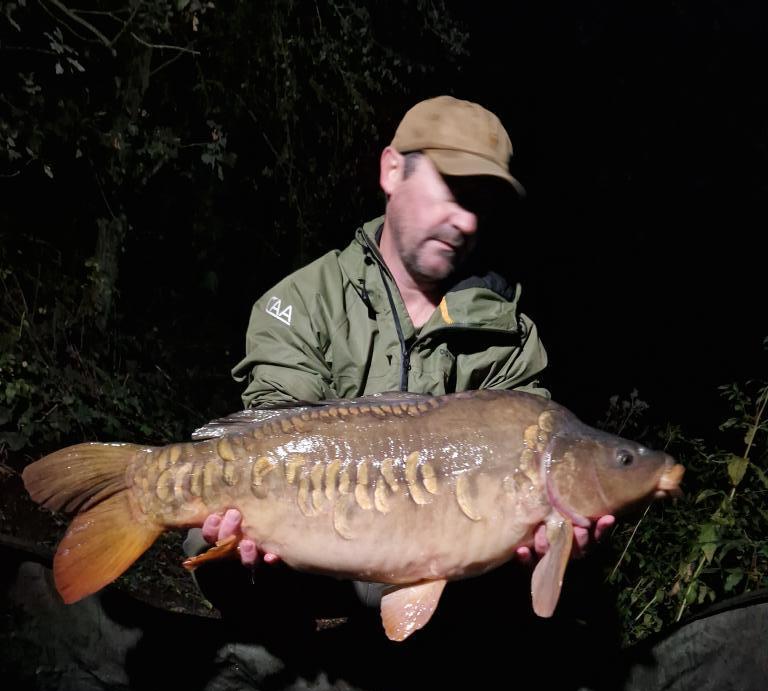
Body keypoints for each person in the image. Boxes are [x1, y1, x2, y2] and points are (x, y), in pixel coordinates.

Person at [187, 96, 612, 610]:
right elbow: (269, 429)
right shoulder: (302, 301)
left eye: (479, 203)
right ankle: (287, 665)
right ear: (392, 170)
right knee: (209, 540)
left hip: (443, 568)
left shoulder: (510, 336)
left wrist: (554, 539)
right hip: (312, 546)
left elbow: (533, 472)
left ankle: (433, 677)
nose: (468, 222)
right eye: (453, 189)